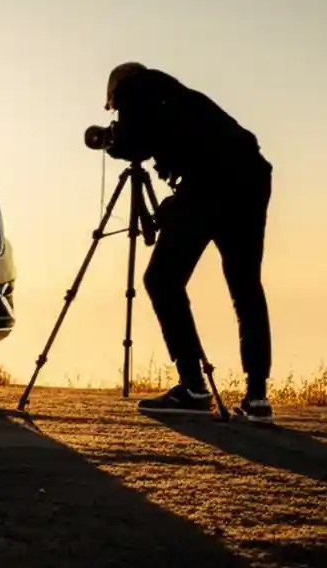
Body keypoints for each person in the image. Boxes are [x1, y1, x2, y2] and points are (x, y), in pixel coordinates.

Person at [104, 61, 274, 423]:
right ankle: (257, 397)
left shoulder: (135, 90)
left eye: (115, 105)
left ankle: (194, 387)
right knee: (246, 286)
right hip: (252, 177)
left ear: (117, 90)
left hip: (209, 184)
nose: (117, 110)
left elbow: (132, 143)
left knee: (161, 281)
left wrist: (113, 143)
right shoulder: (180, 98)